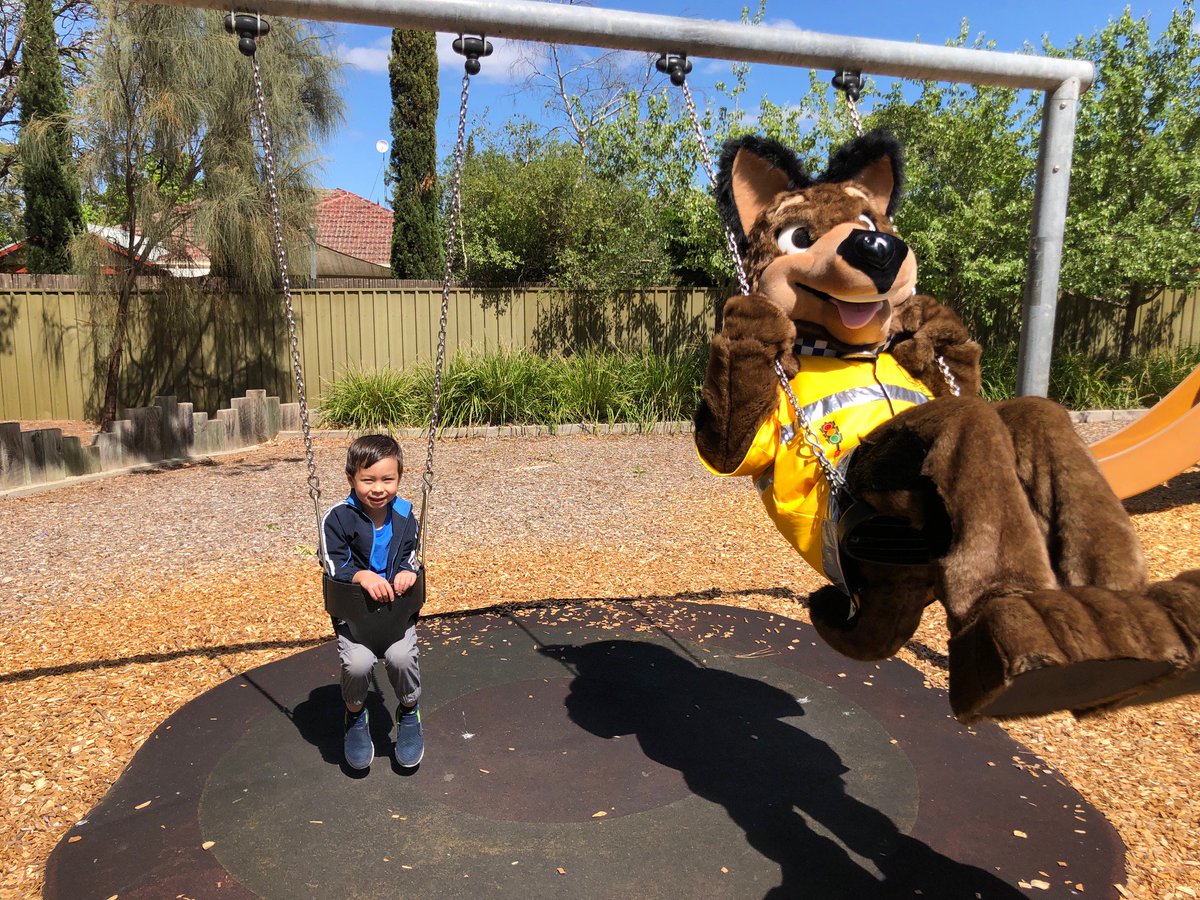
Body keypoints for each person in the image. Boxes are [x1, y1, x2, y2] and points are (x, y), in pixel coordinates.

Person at [322, 433, 424, 771]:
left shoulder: (406, 514)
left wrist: (409, 571)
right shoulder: (337, 518)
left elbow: (412, 554)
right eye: (368, 480)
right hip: (356, 614)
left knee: (401, 657)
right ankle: (355, 715)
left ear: (399, 477)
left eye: (387, 479)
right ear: (350, 477)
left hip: (395, 611)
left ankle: (409, 711)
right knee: (359, 664)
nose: (378, 488)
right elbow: (334, 563)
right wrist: (363, 576)